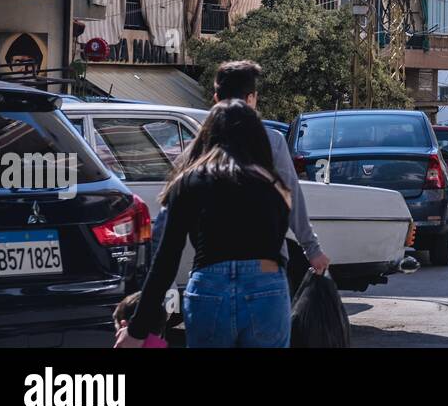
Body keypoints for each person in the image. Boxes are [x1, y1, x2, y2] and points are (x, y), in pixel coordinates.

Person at [116, 100, 292, 348]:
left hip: (209, 280)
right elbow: (277, 245)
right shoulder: (274, 186)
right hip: (267, 278)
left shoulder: (188, 182)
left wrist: (138, 329)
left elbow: (166, 260)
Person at [213, 60, 330, 276]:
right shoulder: (272, 142)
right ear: (250, 99)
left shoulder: (200, 145)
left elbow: (175, 216)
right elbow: (291, 196)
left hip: (212, 269)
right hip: (265, 265)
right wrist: (312, 249)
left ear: (216, 99)